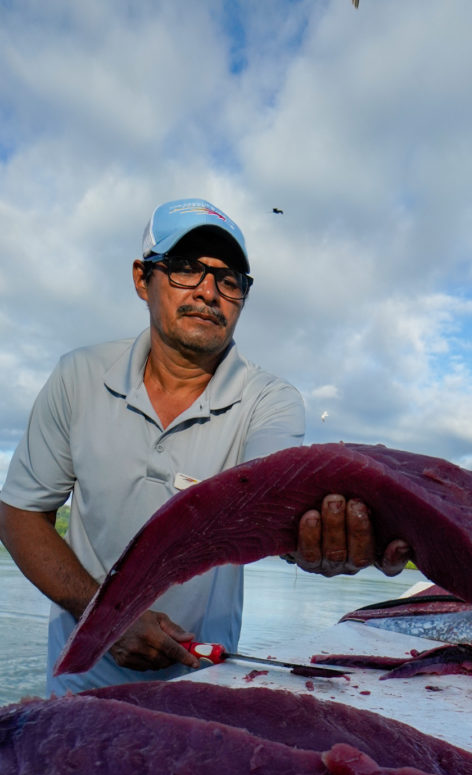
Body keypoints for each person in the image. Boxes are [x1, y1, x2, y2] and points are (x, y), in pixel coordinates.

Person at [0, 198, 409, 695]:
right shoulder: (78, 377)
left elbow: (274, 507)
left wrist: (322, 539)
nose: (208, 292)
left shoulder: (269, 401)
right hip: (78, 691)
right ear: (141, 279)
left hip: (203, 689)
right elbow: (20, 514)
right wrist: (102, 614)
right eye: (185, 269)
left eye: (229, 279)